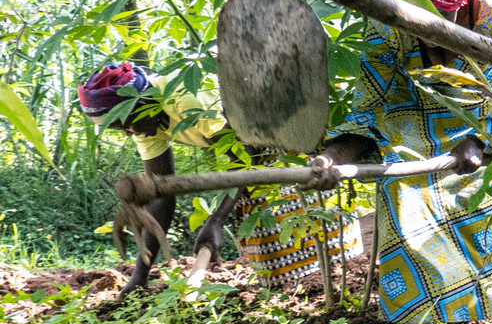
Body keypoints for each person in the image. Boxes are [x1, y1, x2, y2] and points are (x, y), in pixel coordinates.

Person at [307, 0, 492, 324]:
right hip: (410, 147)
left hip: (487, 145)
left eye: (441, 13)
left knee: (486, 215)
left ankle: (489, 323)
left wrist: (483, 143)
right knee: (404, 200)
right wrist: (332, 159)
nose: (430, 26)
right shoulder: (387, 29)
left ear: (462, 1)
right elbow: (368, 109)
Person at [77, 63, 360, 297]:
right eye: (120, 129)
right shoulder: (146, 124)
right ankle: (291, 295)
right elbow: (163, 194)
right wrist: (140, 276)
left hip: (290, 131)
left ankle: (335, 285)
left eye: (126, 123)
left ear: (142, 103)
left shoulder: (183, 98)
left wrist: (216, 220)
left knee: (299, 214)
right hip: (255, 150)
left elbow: (242, 156)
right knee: (262, 232)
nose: (129, 133)